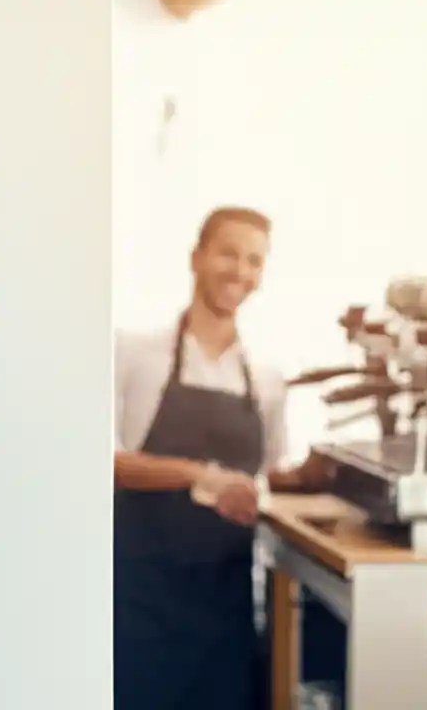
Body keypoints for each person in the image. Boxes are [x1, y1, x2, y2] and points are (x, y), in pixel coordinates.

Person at [112, 206, 332, 709]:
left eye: (254, 260)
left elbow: (272, 471)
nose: (240, 270)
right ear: (197, 257)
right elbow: (105, 462)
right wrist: (203, 475)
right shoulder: (135, 353)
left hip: (225, 597)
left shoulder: (267, 374)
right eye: (228, 253)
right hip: (141, 596)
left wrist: (319, 473)